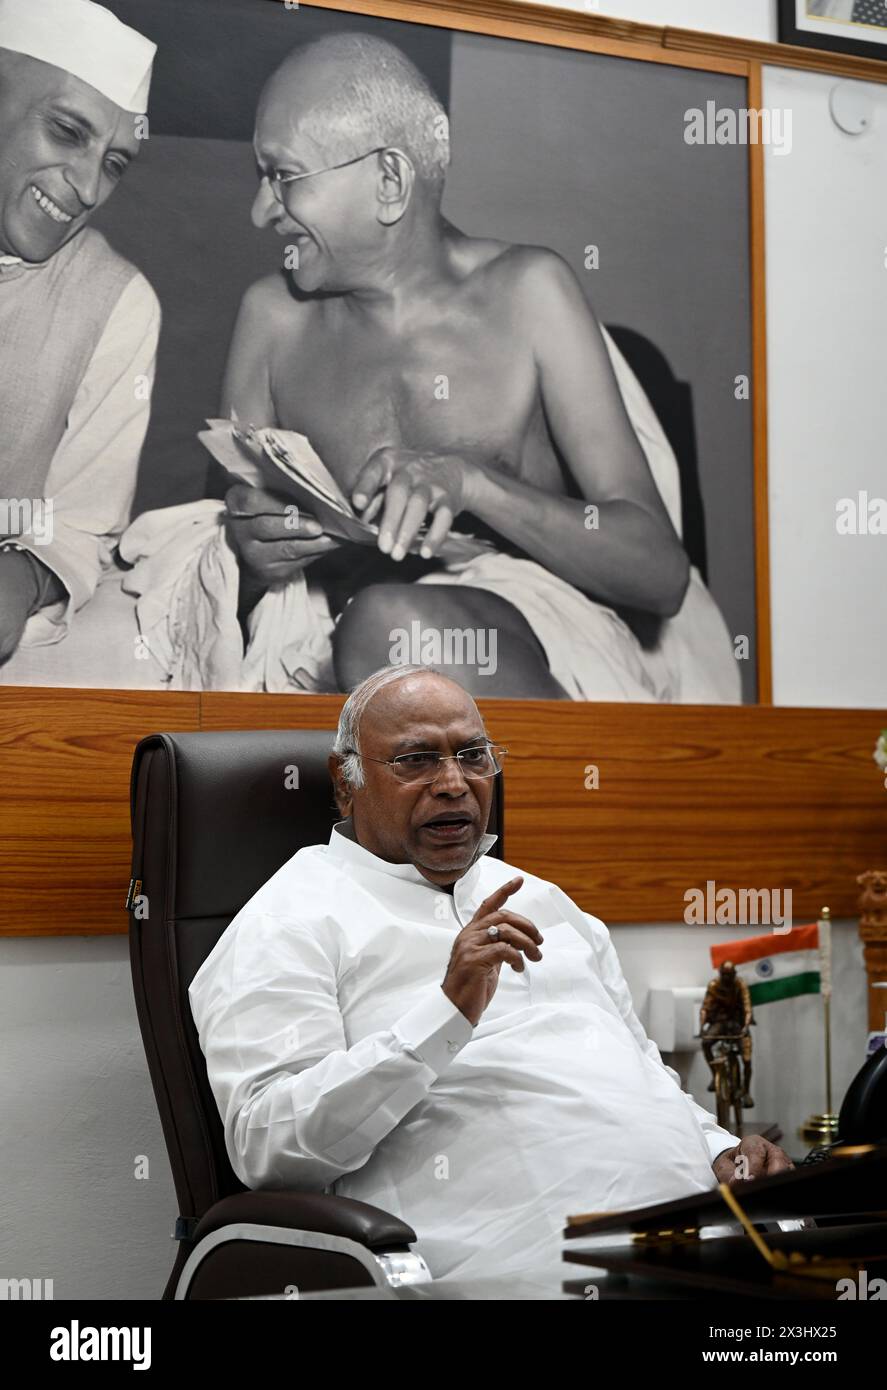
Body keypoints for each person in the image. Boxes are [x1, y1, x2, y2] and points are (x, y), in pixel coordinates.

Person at [189, 664, 791, 1280]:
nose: (453, 783)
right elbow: (268, 1147)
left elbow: (644, 1072)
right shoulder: (290, 917)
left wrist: (720, 1150)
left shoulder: (551, 904)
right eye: (416, 759)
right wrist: (444, 1014)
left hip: (702, 1237)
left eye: (472, 755)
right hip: (514, 1259)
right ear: (346, 784)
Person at [213, 31, 741, 703]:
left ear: (388, 182)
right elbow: (218, 577)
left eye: (284, 177)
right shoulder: (270, 319)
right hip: (334, 668)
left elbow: (658, 575)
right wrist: (252, 561)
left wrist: (470, 485)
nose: (260, 211)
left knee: (392, 628)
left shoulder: (526, 293)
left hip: (537, 646)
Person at [0, 0, 159, 665]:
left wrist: (19, 580)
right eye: (67, 131)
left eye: (115, 162)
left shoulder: (118, 302)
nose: (89, 186)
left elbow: (78, 525)